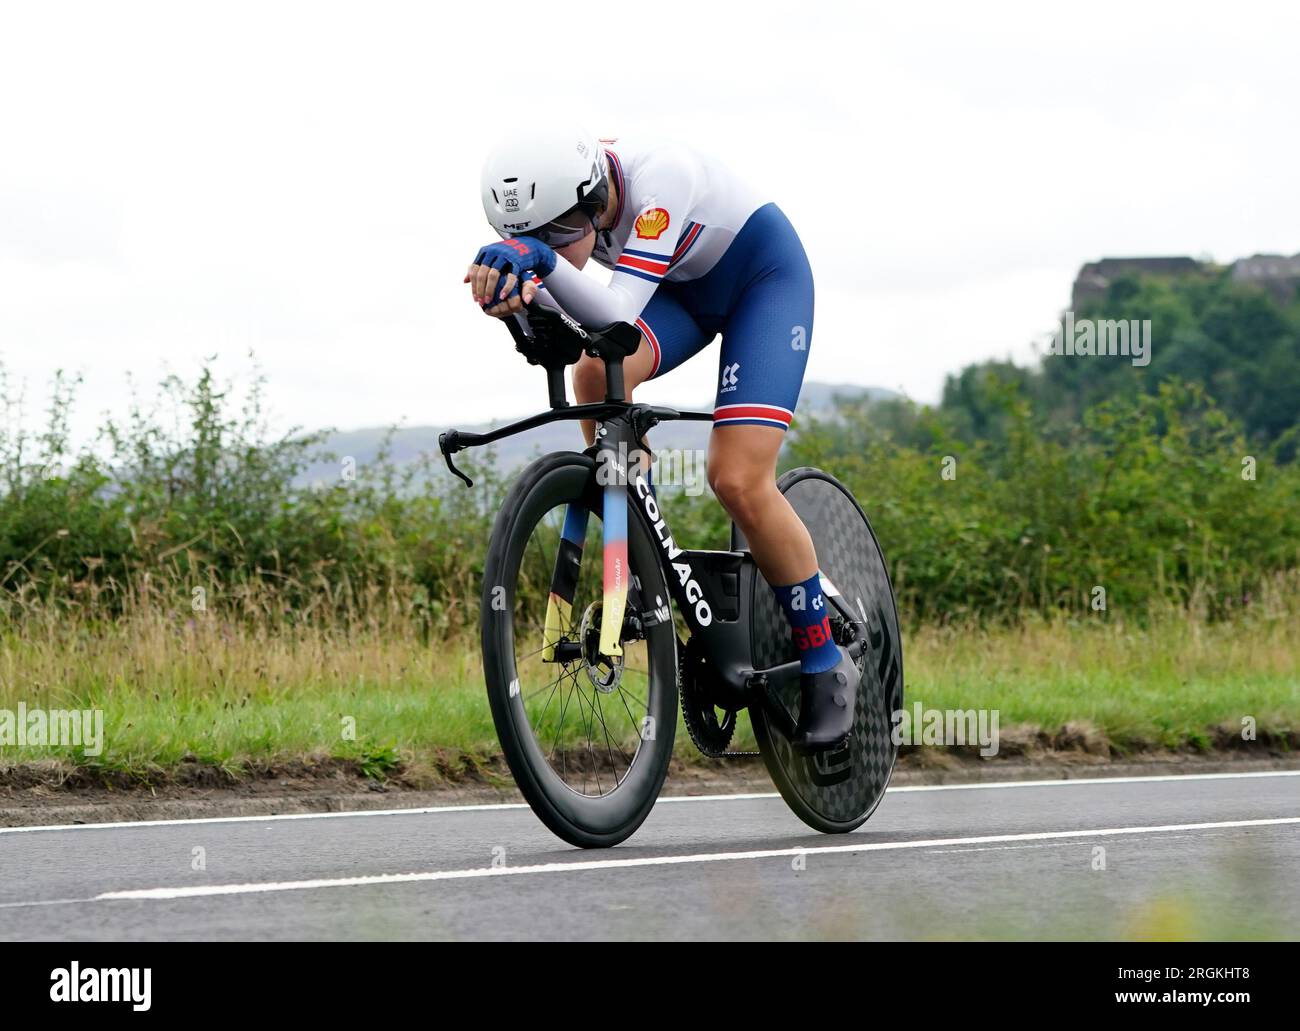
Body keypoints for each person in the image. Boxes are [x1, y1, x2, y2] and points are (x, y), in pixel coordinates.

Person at [465, 124, 856, 752]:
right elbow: (580, 319)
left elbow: (616, 311)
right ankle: (633, 514)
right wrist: (516, 300)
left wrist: (539, 266)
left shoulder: (662, 178)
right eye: (528, 238)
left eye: (563, 233)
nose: (556, 250)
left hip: (762, 282)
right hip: (674, 291)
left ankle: (824, 661)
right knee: (595, 373)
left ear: (595, 197)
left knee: (736, 478)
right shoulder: (570, 210)